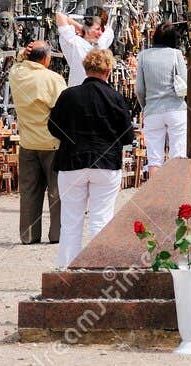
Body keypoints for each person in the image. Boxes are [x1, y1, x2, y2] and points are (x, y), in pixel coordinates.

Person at [48, 47, 136, 268]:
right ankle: (100, 267)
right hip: (106, 163)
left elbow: (53, 126)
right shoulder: (116, 97)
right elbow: (128, 136)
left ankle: (67, 268)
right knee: (101, 218)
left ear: (86, 69)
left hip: (71, 162)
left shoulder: (68, 95)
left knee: (71, 221)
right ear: (108, 71)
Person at [10, 41, 66, 245]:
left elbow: (16, 63)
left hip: (27, 142)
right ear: (46, 58)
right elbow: (63, 109)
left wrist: (21, 54)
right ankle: (57, 235)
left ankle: (29, 235)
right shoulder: (53, 79)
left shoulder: (17, 75)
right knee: (56, 191)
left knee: (29, 191)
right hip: (52, 143)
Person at [134, 22, 188, 171]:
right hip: (176, 109)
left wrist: (146, 107)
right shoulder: (176, 55)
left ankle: (155, 193)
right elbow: (185, 82)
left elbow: (139, 89)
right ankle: (176, 191)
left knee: (154, 158)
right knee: (178, 154)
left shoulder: (143, 56)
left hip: (152, 110)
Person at [55, 9, 115, 87]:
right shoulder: (74, 43)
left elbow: (109, 30)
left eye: (102, 30)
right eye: (97, 29)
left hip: (99, 92)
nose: (100, 33)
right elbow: (59, 15)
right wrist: (81, 28)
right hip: (78, 91)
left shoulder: (101, 43)